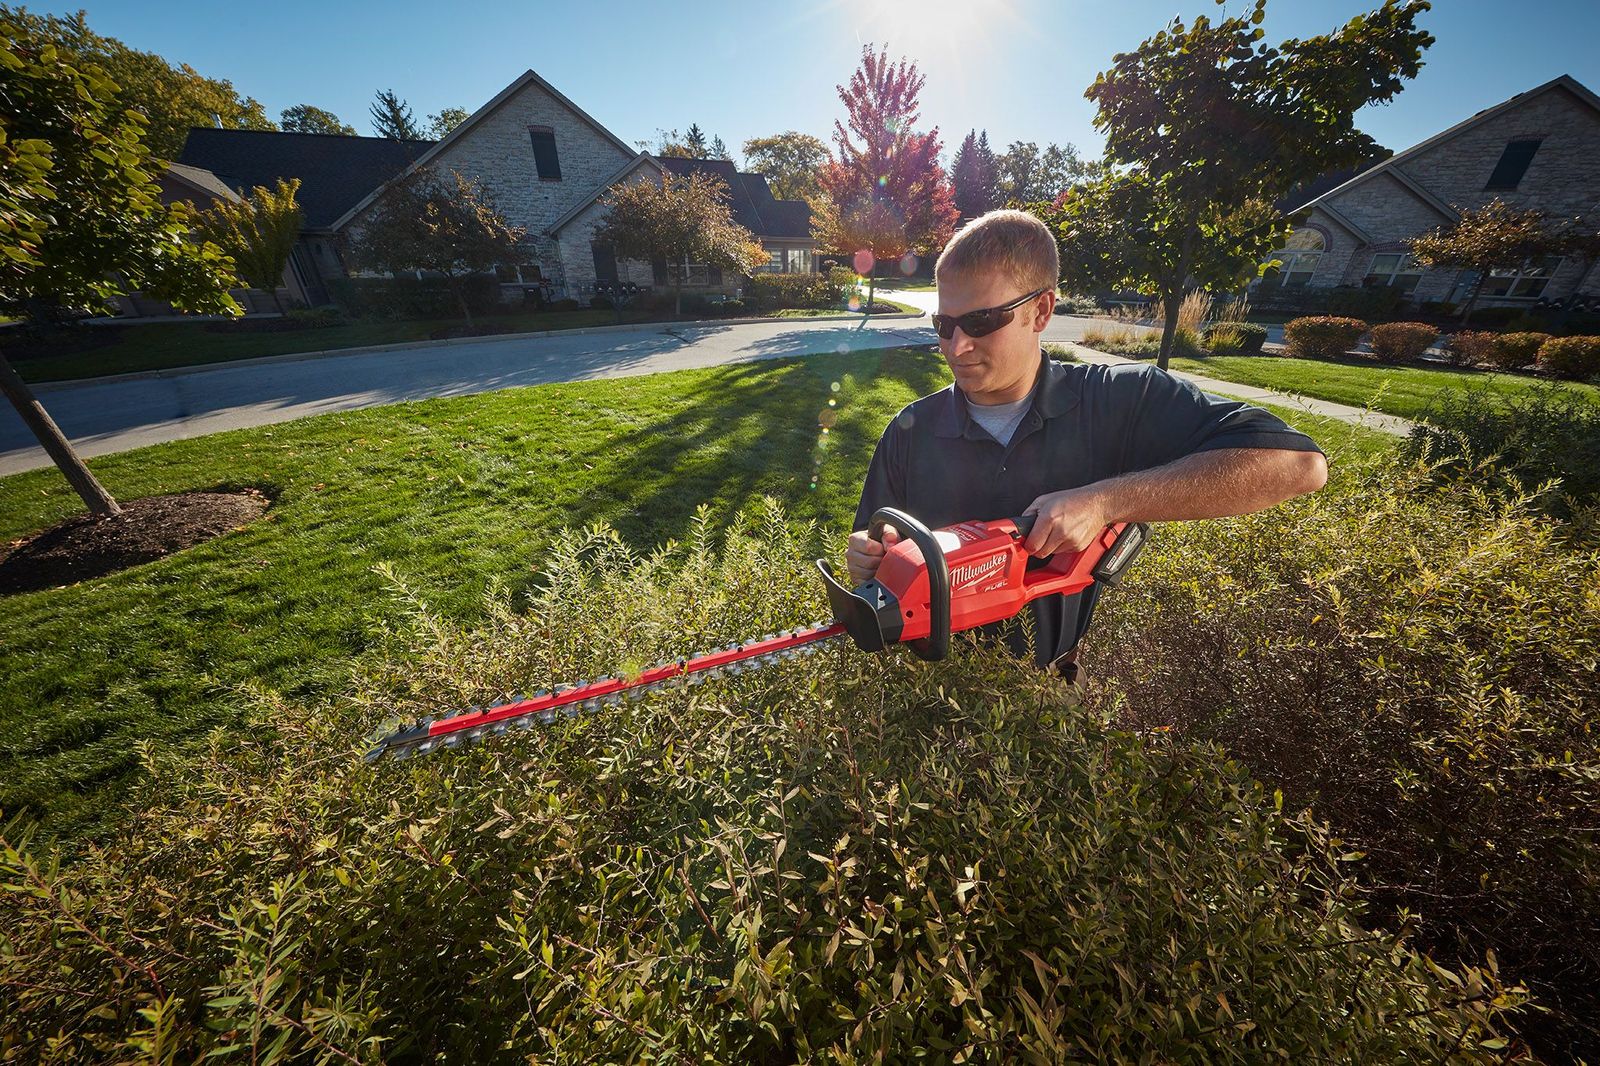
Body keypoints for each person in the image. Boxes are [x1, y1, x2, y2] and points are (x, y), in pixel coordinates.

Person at [846, 210, 1328, 679]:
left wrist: (1103, 502)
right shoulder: (910, 430)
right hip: (926, 693)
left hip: (1052, 694)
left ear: (1041, 310)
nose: (956, 347)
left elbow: (1299, 465)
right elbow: (874, 547)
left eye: (981, 322)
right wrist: (869, 559)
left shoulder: (1119, 400)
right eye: (944, 325)